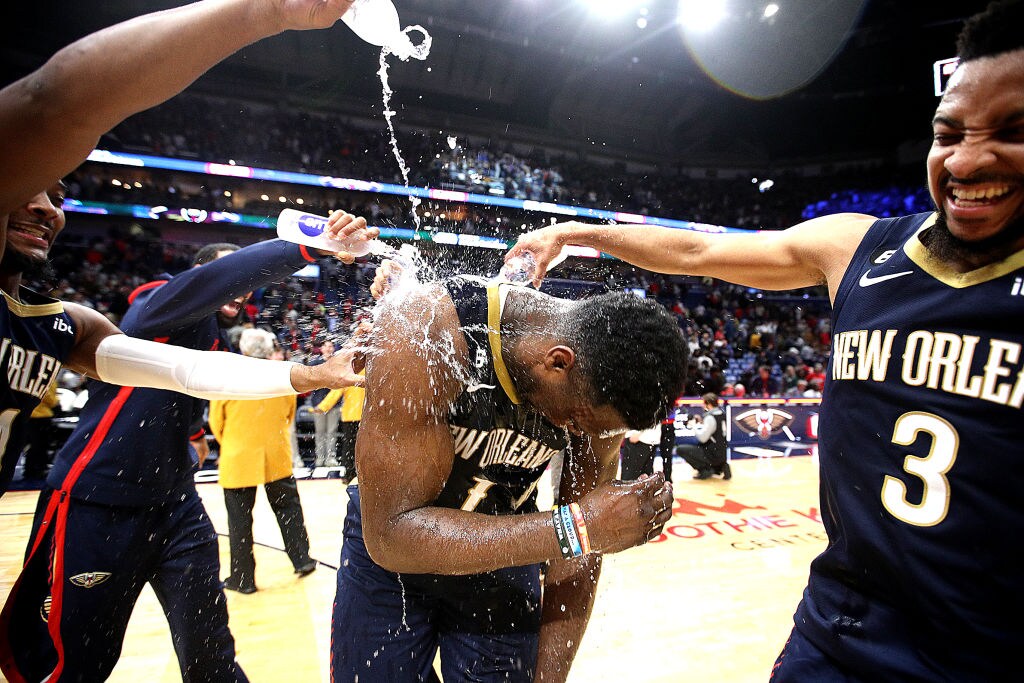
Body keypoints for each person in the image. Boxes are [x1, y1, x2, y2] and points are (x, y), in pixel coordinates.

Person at [504, 1, 1023, 676]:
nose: (968, 158)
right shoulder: (857, 247)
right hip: (836, 633)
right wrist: (578, 234)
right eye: (948, 133)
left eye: (1012, 132)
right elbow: (697, 252)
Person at [0, 230, 368, 682]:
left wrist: (196, 434)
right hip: (97, 498)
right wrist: (303, 246)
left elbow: (198, 386)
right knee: (73, 660)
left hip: (176, 502)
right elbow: (214, 287)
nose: (243, 288)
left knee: (210, 652)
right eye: (232, 274)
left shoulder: (211, 337)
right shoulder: (156, 301)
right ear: (199, 275)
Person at [331, 271, 688, 682]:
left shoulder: (605, 376)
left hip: (507, 550)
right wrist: (577, 528)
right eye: (575, 421)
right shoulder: (424, 329)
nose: (576, 432)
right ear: (558, 362)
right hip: (392, 559)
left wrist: (548, 678)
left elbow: (582, 550)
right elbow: (391, 535)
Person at [209, 328, 317, 595]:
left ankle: (243, 578)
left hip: (238, 457)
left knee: (239, 522)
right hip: (275, 454)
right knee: (289, 511)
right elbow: (289, 415)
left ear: (244, 349)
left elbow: (216, 422)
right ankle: (302, 559)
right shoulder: (281, 373)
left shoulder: (226, 375)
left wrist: (233, 442)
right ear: (269, 349)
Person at [314, 367, 366, 483]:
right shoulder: (367, 373)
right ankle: (361, 475)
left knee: (349, 447)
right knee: (362, 447)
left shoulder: (349, 374)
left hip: (351, 416)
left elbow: (336, 392)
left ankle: (349, 475)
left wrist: (323, 407)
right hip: (363, 416)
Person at [678, 393, 730, 480]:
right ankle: (720, 466)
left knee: (680, 449)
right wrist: (702, 423)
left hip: (712, 453)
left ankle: (705, 470)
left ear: (708, 404)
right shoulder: (722, 414)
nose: (702, 405)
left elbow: (703, 438)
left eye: (703, 403)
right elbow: (716, 431)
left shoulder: (710, 418)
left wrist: (693, 426)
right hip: (722, 453)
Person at [308, 338, 342, 468]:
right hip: (318, 403)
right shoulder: (315, 363)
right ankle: (320, 457)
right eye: (326, 346)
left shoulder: (337, 364)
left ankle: (330, 457)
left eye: (331, 346)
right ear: (321, 349)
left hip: (334, 403)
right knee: (320, 432)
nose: (328, 349)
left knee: (331, 432)